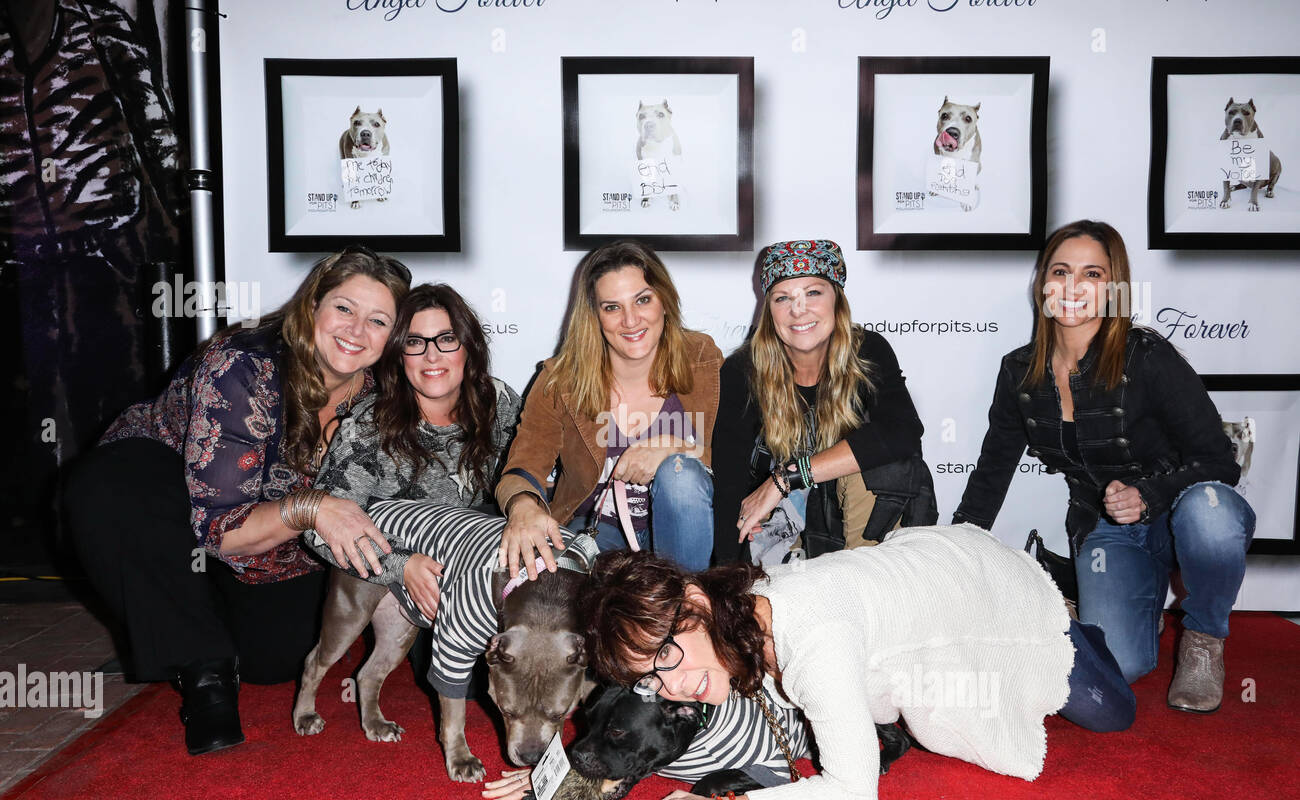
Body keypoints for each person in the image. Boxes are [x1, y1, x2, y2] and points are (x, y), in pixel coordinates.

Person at [570, 526, 1135, 800]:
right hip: (915, 597)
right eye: (653, 674)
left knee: (1112, 710)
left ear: (693, 604)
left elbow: (853, 793)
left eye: (668, 655)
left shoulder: (814, 644)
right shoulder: (738, 620)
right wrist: (568, 774)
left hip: (988, 596)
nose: (672, 685)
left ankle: (1070, 619)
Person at [63, 246, 411, 755]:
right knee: (109, 488)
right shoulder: (244, 363)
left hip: (270, 547)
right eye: (344, 308)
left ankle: (201, 620)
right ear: (312, 304)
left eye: (378, 320)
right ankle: (204, 675)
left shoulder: (386, 393)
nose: (357, 331)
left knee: (274, 663)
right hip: (173, 506)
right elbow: (220, 527)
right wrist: (312, 507)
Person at [953, 220, 1254, 713]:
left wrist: (1150, 495)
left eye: (1092, 274)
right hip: (1107, 531)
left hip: (1180, 511)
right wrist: (958, 545)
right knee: (1122, 663)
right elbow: (994, 466)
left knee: (1211, 513)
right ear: (1041, 283)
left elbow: (1220, 462)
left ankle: (1203, 639)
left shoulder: (1148, 356)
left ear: (1114, 289)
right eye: (1060, 271)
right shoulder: (1019, 371)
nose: (1073, 288)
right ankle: (1143, 608)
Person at [495, 240, 722, 577]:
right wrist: (523, 506)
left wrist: (674, 446)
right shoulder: (561, 380)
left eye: (643, 299)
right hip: (599, 531)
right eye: (612, 307)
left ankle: (689, 606)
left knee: (680, 474)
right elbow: (521, 469)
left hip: (687, 536)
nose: (631, 320)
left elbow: (730, 459)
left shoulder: (700, 357)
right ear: (594, 316)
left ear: (664, 301)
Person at [307, 282, 522, 624]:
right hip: (403, 574)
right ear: (398, 354)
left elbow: (535, 469)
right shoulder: (369, 424)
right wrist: (402, 566)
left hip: (478, 560)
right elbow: (318, 527)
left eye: (446, 339)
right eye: (415, 343)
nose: (431, 356)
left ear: (468, 347)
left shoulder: (498, 401)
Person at [712, 239, 936, 566]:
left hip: (858, 530)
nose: (798, 309)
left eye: (813, 292)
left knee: (884, 466)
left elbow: (903, 432)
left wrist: (788, 477)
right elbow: (728, 484)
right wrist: (724, 581)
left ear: (837, 299)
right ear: (768, 309)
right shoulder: (743, 371)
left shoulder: (867, 352)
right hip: (779, 531)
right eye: (782, 297)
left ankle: (871, 593)